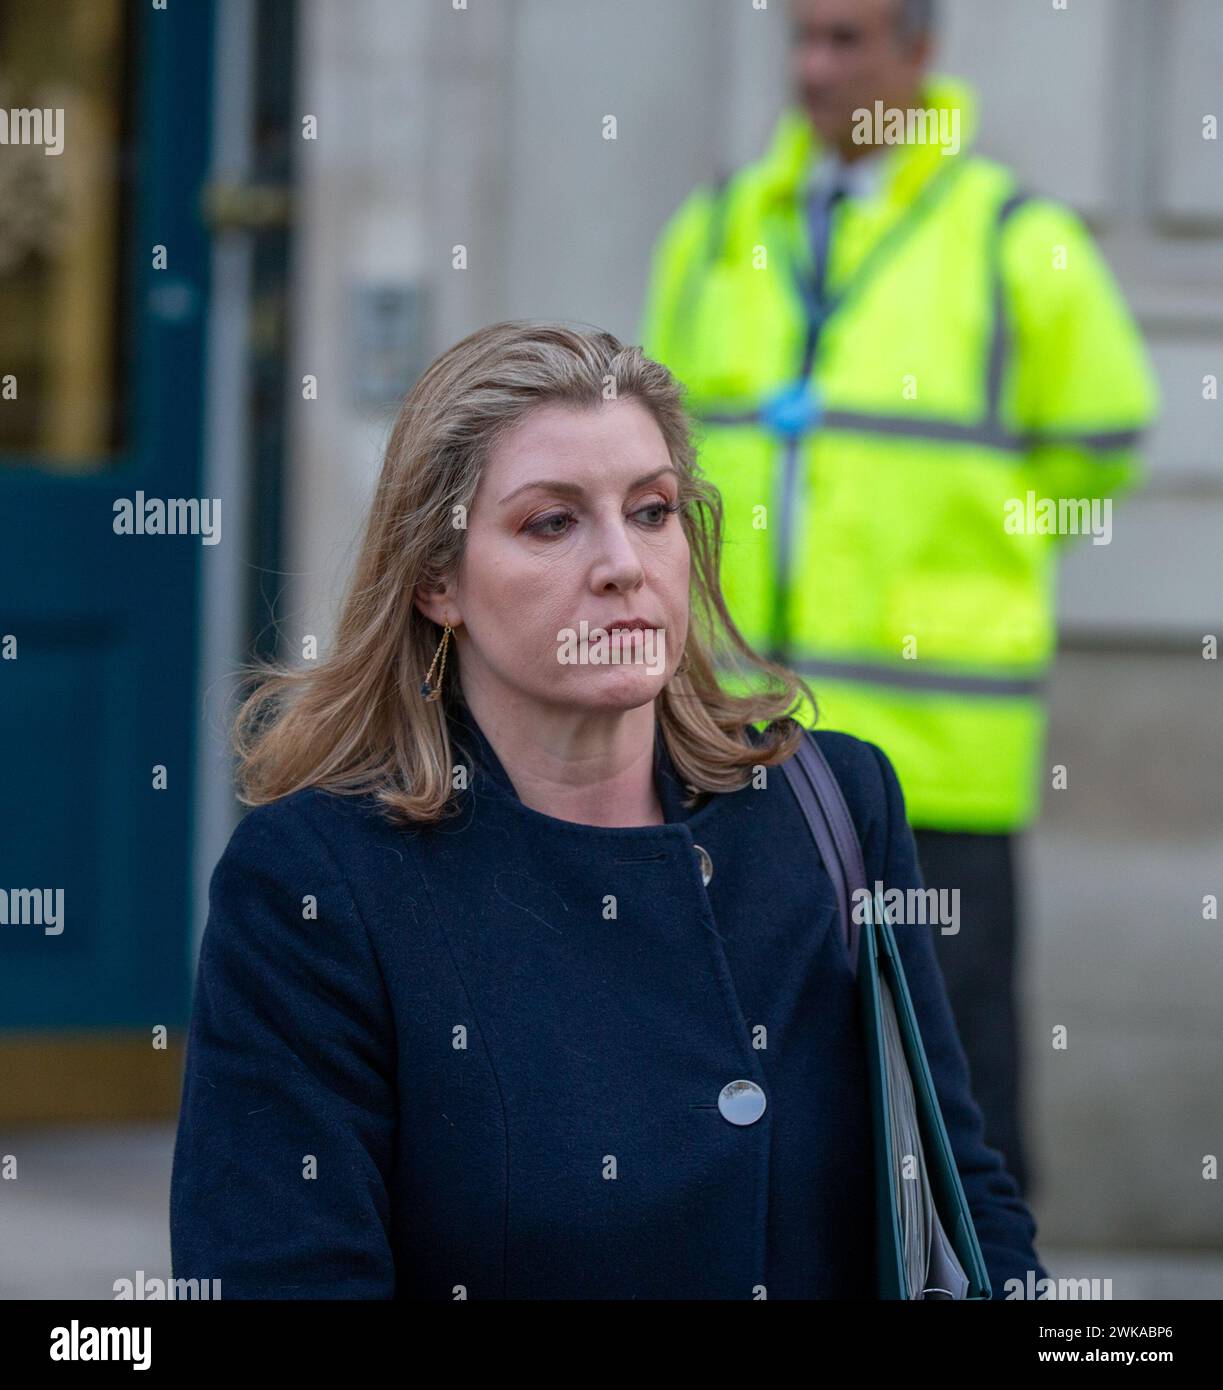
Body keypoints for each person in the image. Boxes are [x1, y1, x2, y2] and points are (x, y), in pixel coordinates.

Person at [169, 319, 1046, 1299]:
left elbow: (960, 1190)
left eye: (651, 510)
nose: (622, 563)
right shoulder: (317, 883)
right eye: (552, 522)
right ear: (435, 580)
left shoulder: (827, 807)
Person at [638, 0, 1159, 1200]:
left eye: (846, 41)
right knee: (728, 1056)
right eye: (802, 40)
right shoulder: (717, 230)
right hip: (735, 730)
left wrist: (983, 545)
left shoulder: (1010, 235)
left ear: (916, 54)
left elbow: (1104, 437)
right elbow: (649, 449)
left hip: (936, 749)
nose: (814, 68)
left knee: (950, 1071)